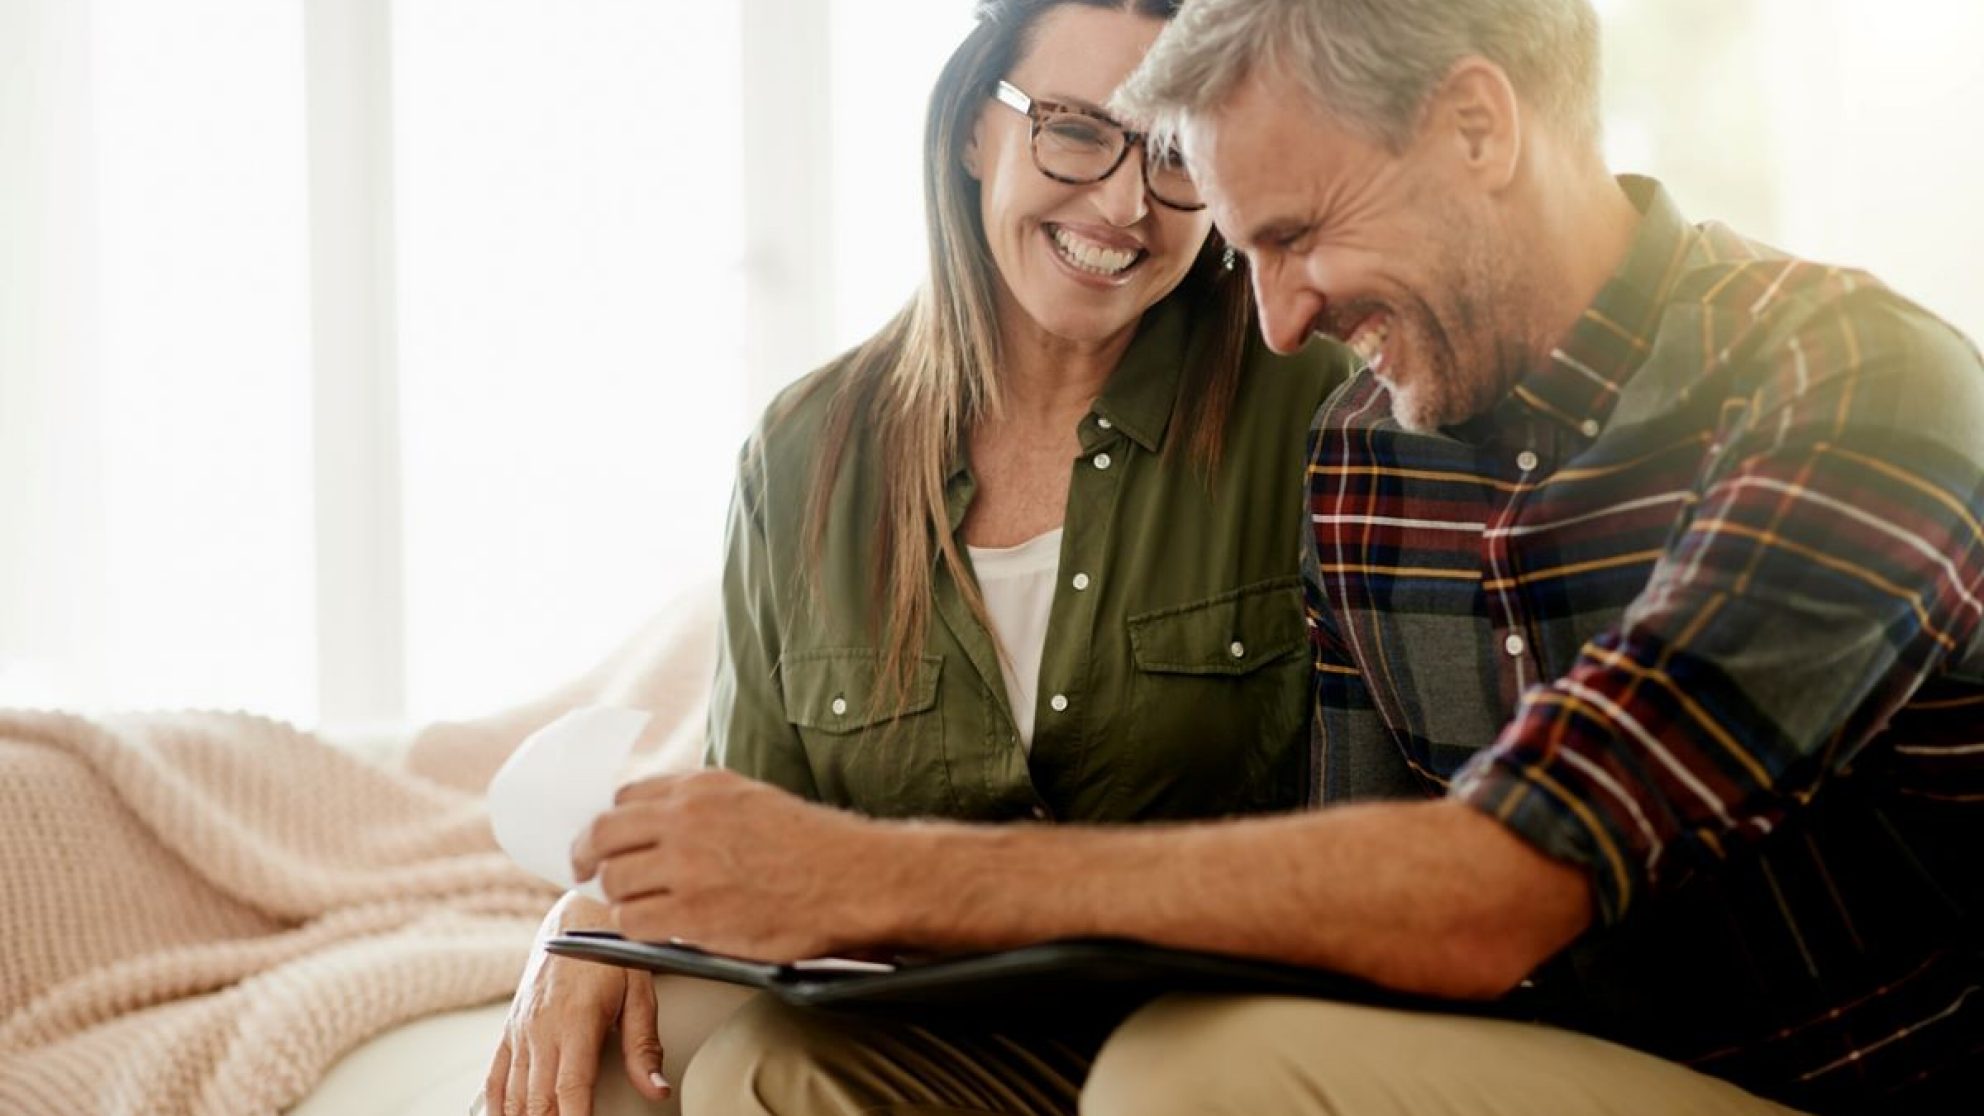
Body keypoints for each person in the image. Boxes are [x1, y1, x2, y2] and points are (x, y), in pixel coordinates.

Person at [567, 0, 1984, 1113]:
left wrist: (881, 875)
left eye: (1296, 235)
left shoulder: (1854, 382)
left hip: (1836, 1084)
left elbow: (1507, 880)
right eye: (1248, 251)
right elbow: (1340, 932)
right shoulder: (1370, 450)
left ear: (1476, 128)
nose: (1279, 320)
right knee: (712, 1059)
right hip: (1500, 1060)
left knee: (1188, 1080)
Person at [480, 1, 1356, 1113]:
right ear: (973, 129)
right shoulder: (803, 453)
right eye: (1076, 130)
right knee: (607, 1062)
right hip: (903, 1015)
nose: (1125, 202)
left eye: (1176, 152)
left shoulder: (1320, 408)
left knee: (757, 1071)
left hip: (1211, 1026)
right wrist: (589, 915)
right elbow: (751, 838)